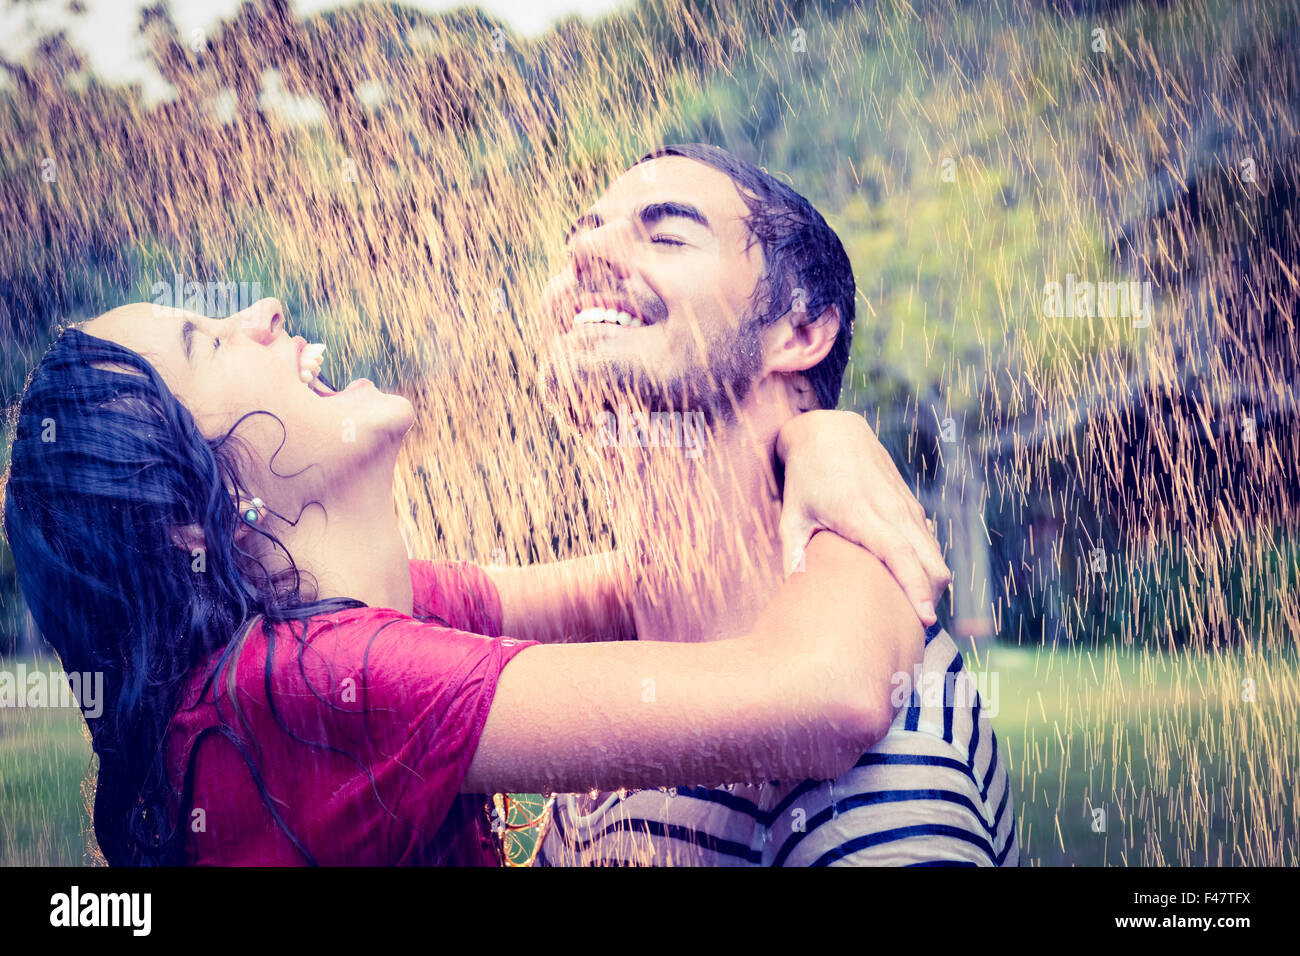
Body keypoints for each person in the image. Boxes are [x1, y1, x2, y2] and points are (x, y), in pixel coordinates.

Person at [1, 293, 943, 865]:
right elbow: (831, 696)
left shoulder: (335, 635)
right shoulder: (305, 687)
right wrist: (838, 441)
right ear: (183, 518)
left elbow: (640, 591)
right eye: (210, 342)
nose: (265, 315)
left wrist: (795, 438)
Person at [533, 143, 1017, 866]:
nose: (586, 249)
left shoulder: (869, 771)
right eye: (584, 231)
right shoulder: (646, 677)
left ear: (798, 331)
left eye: (665, 235)